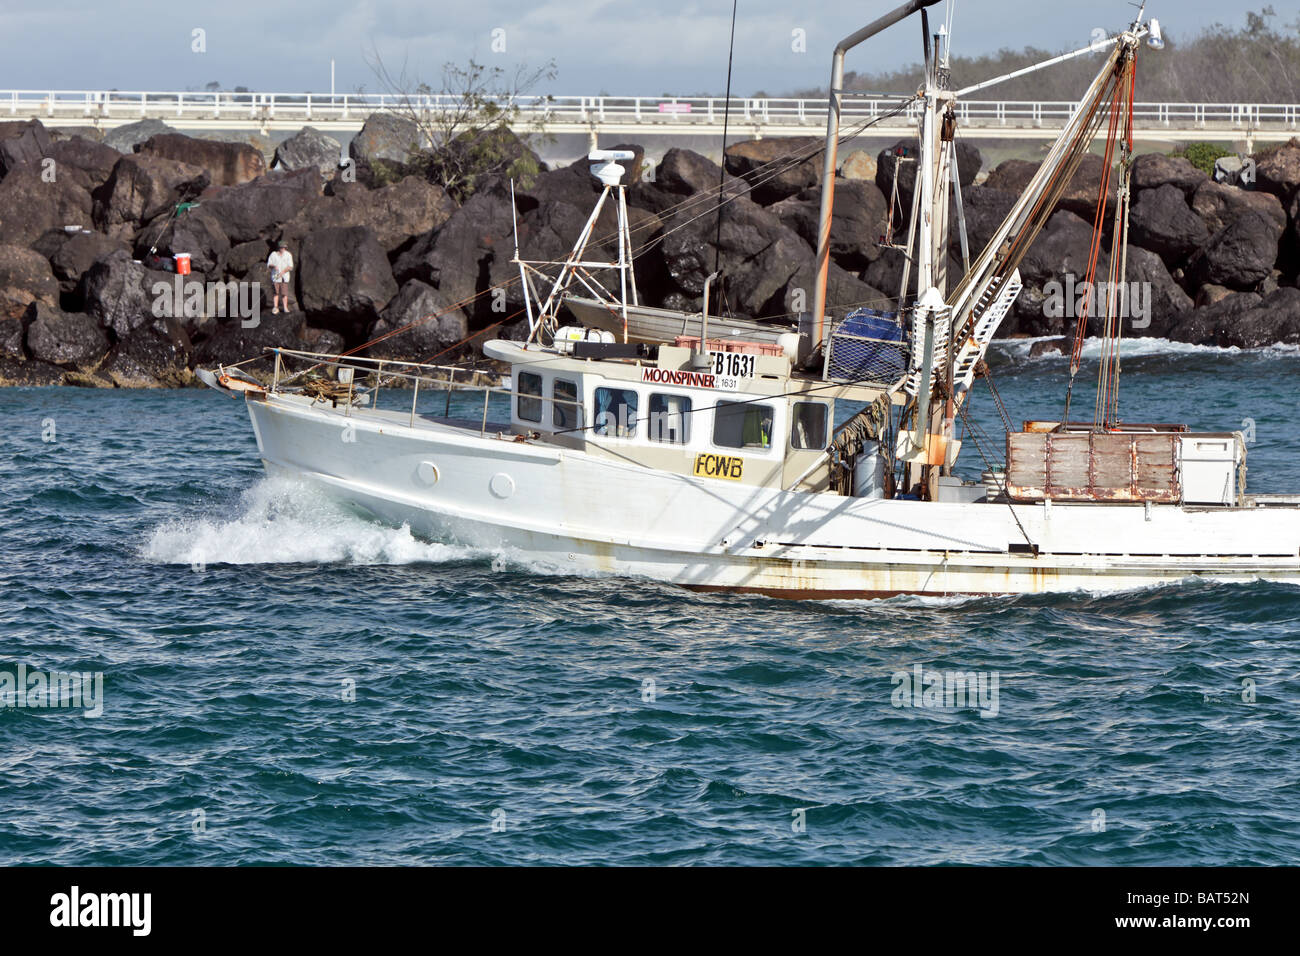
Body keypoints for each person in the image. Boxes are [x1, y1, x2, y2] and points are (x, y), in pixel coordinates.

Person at [267, 241, 294, 314]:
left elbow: (290, 267)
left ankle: (285, 307)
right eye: (282, 247)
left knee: (284, 293)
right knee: (276, 293)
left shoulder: (288, 255)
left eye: (284, 247)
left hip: (284, 277)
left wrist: (283, 272)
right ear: (279, 247)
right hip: (275, 277)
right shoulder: (273, 254)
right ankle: (275, 307)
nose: (283, 249)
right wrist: (273, 266)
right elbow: (269, 264)